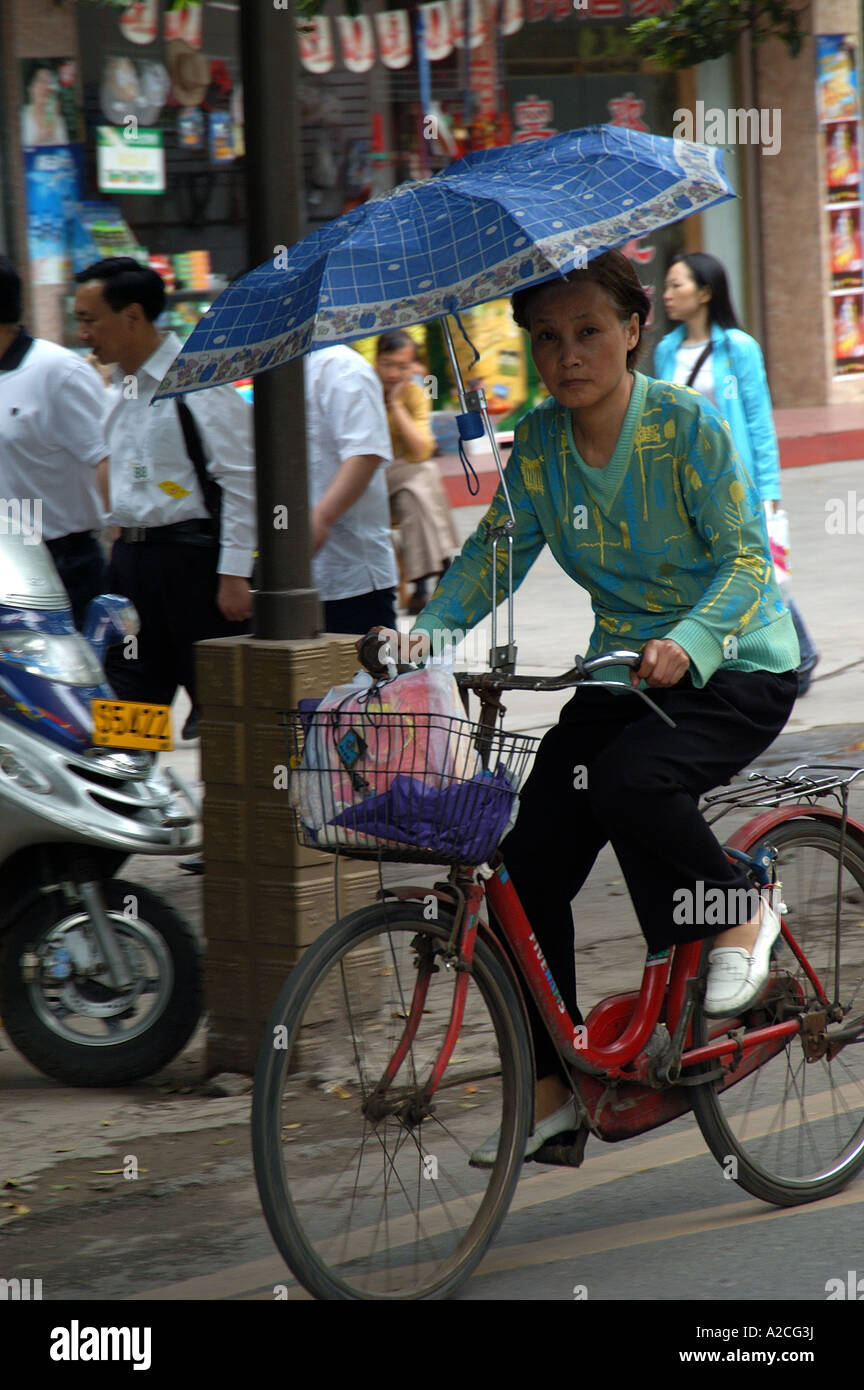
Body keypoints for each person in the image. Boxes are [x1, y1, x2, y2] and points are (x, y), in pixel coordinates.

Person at [376, 251, 800, 1163]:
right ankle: (558, 1088)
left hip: (736, 662)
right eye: (548, 339)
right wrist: (426, 635)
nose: (568, 355)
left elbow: (744, 562)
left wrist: (690, 638)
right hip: (625, 675)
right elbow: (495, 557)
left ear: (634, 328)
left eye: (589, 332)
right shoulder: (539, 449)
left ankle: (736, 907)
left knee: (631, 784)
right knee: (521, 869)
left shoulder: (687, 427)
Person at [72, 257, 255, 722]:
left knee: (223, 716)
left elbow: (241, 477)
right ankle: (129, 792)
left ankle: (221, 797)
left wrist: (234, 574)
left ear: (131, 317)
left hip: (193, 571)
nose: (83, 334)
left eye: (89, 320)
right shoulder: (119, 390)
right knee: (127, 710)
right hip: (131, 572)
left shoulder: (197, 381)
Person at [655, 252, 819, 695]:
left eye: (677, 285)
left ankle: (799, 652)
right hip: (687, 485)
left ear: (706, 292)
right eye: (667, 286)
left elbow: (759, 422)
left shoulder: (738, 347)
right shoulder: (666, 350)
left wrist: (769, 490)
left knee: (759, 568)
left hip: (737, 483)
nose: (667, 295)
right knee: (715, 572)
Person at [0, 257, 108, 628]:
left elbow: (107, 461)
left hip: (62, 566)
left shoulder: (58, 372)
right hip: (5, 566)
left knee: (73, 683)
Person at [305, 343, 398, 633]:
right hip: (304, 575)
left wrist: (321, 519)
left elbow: (365, 453)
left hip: (351, 573)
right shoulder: (285, 368)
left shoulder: (341, 366)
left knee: (363, 675)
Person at [374, 330, 458, 614]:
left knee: (415, 488)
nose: (394, 373)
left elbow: (421, 449)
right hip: (363, 479)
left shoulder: (414, 392)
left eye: (403, 366)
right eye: (388, 364)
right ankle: (443, 566)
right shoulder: (362, 389)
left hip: (398, 482)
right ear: (375, 360)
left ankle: (421, 586)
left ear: (414, 367)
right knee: (424, 473)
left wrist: (397, 404)